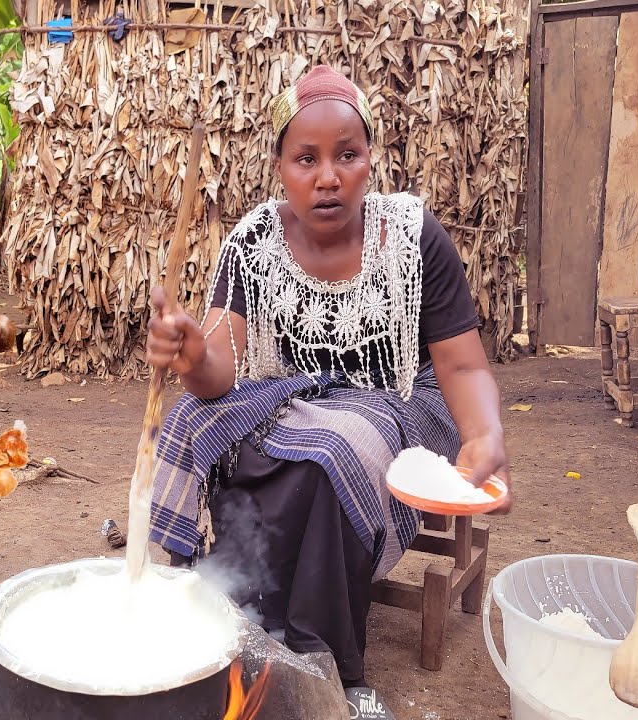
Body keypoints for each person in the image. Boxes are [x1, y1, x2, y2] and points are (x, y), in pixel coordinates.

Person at [145, 66, 512, 718]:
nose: (328, 175)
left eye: (348, 155)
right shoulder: (252, 244)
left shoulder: (410, 238)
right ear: (280, 168)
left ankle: (330, 667)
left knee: (330, 454)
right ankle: (218, 609)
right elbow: (219, 373)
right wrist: (193, 354)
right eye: (306, 158)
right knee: (192, 425)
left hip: (399, 395)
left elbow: (460, 366)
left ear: (370, 160)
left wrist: (484, 434)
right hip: (283, 395)